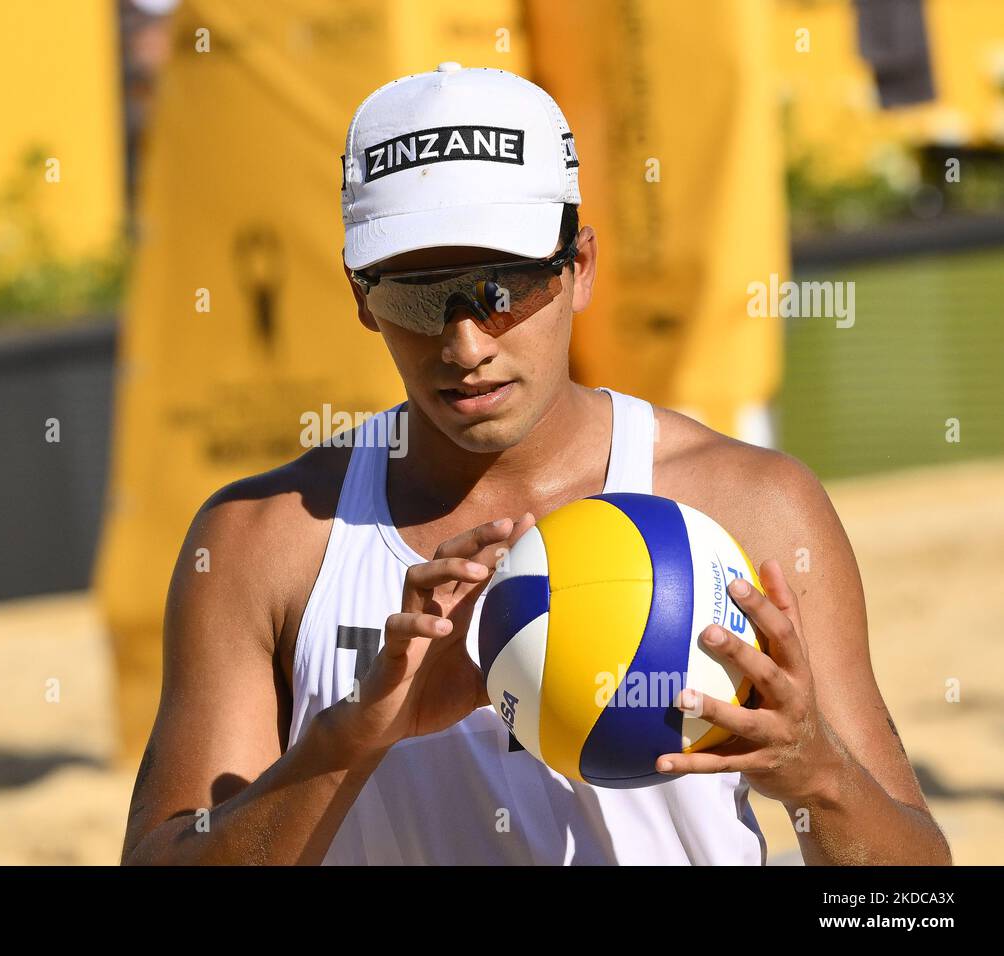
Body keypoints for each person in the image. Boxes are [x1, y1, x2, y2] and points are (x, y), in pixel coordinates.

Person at [121, 63, 949, 865]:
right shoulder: (260, 542)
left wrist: (820, 776)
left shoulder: (753, 507)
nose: (466, 344)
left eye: (503, 287)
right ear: (359, 298)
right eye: (415, 294)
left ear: (578, 267)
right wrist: (353, 736)